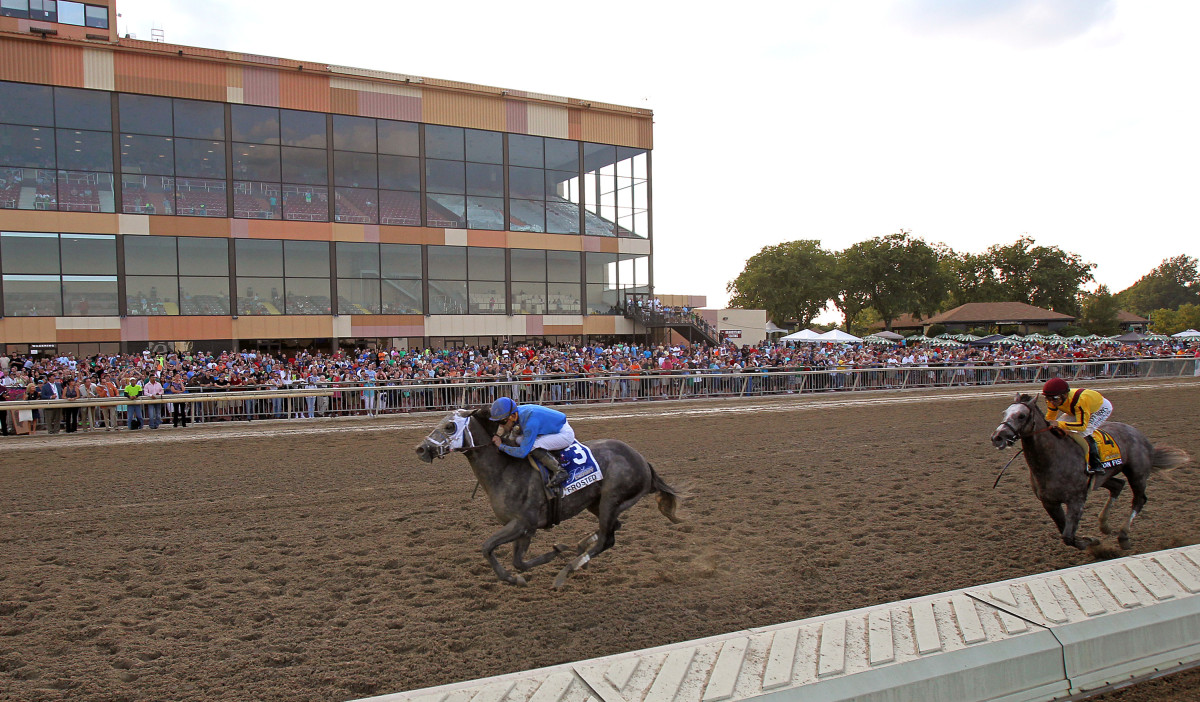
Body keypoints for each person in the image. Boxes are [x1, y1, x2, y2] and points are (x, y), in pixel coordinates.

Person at [487, 396, 574, 488]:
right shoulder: (517, 412)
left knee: (533, 446)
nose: (500, 425)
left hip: (564, 434)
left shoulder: (530, 424)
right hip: (551, 427)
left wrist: (501, 446)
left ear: (512, 416)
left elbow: (522, 452)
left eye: (502, 422)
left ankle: (559, 471)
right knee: (519, 440)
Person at [1042, 377, 1112, 475]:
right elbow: (1050, 418)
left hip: (1099, 409)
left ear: (1065, 395)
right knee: (1055, 428)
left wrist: (1059, 424)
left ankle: (1096, 464)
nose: (1052, 402)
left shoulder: (1080, 401)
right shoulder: (1052, 399)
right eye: (1048, 398)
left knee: (1084, 432)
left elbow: (1082, 426)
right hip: (1076, 410)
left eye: (1055, 398)